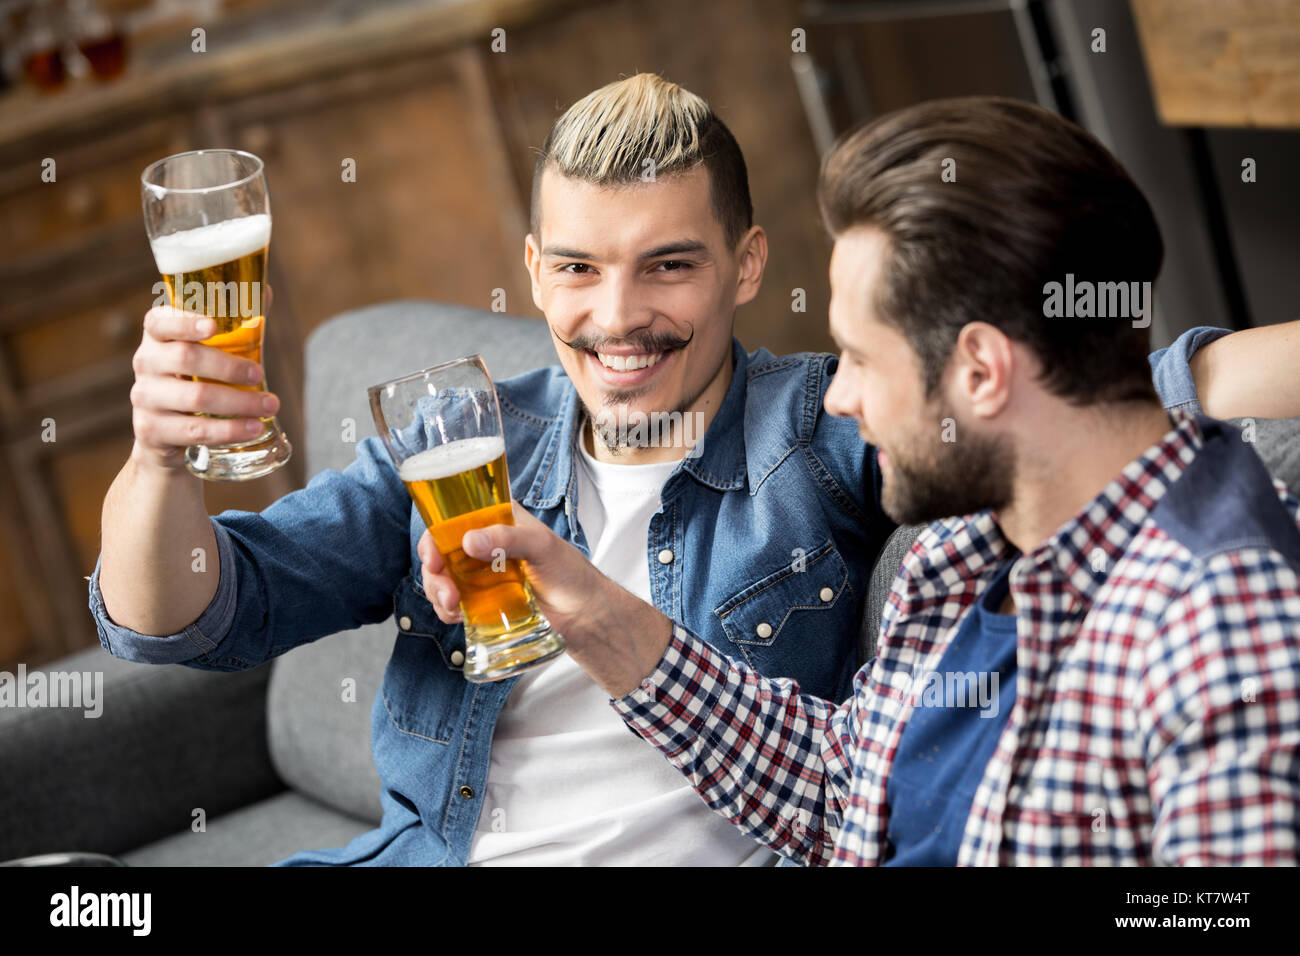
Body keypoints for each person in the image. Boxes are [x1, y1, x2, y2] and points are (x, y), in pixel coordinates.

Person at [91, 77, 1287, 866]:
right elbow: (191, 618)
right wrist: (157, 453)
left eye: (667, 266)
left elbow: (1120, 385)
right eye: (575, 270)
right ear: (536, 269)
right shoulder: (463, 439)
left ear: (746, 262)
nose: (616, 318)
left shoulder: (832, 435)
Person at [437, 95, 1300, 866]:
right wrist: (598, 618)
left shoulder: (1215, 623)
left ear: (983, 374)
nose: (838, 397)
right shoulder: (968, 548)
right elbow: (843, 790)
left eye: (857, 358)